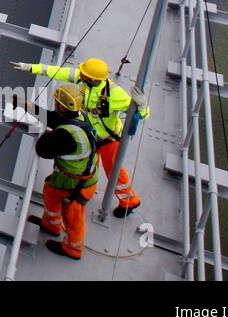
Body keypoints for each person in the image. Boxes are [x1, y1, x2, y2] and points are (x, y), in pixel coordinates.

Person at [12, 56, 147, 216]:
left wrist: (142, 105)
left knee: (114, 169)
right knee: (89, 167)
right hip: (90, 135)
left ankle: (130, 202)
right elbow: (59, 72)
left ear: (93, 80)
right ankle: (81, 192)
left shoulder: (115, 95)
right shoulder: (83, 81)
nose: (79, 75)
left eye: (83, 74)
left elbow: (142, 114)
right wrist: (31, 67)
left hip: (107, 138)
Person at [33, 84, 102, 260]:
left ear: (62, 107)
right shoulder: (79, 117)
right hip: (78, 176)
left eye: (57, 103)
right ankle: (51, 225)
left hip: (77, 184)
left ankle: (73, 249)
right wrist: (28, 106)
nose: (55, 105)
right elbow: (53, 119)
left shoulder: (66, 136)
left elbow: (43, 149)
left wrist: (47, 136)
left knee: (73, 216)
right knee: (51, 193)